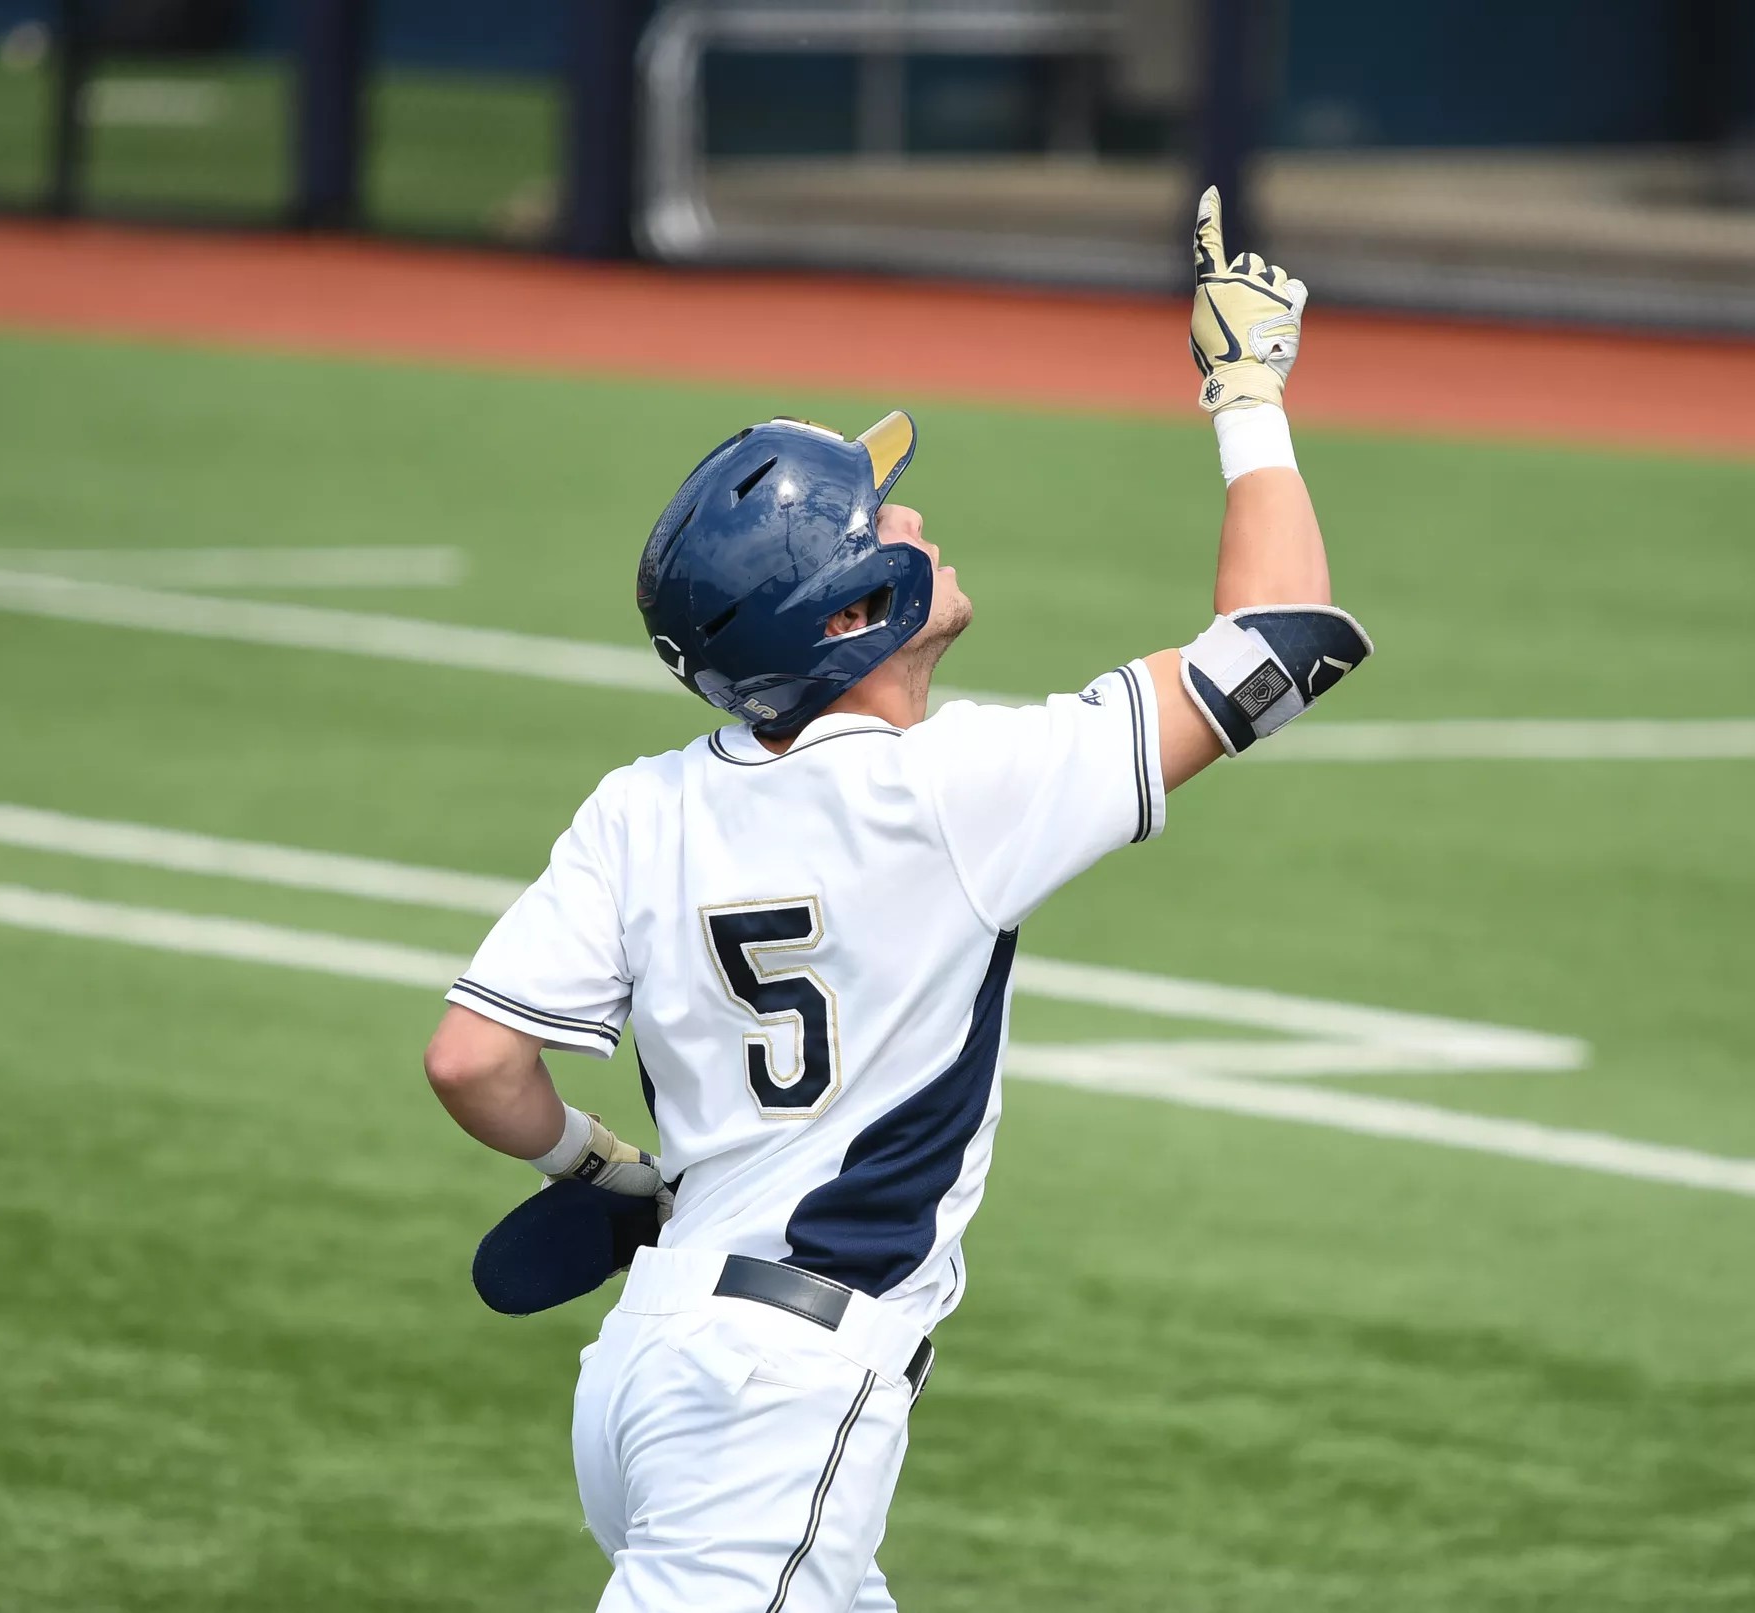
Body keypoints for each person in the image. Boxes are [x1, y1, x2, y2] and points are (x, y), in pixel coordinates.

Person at [421, 188, 1370, 1612]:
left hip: (643, 1369)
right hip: (778, 1398)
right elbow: (1281, 640)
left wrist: (593, 1166)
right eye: (886, 520)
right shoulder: (954, 787)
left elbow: (475, 1056)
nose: (917, 514)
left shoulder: (643, 803)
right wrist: (1247, 393)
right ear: (851, 608)